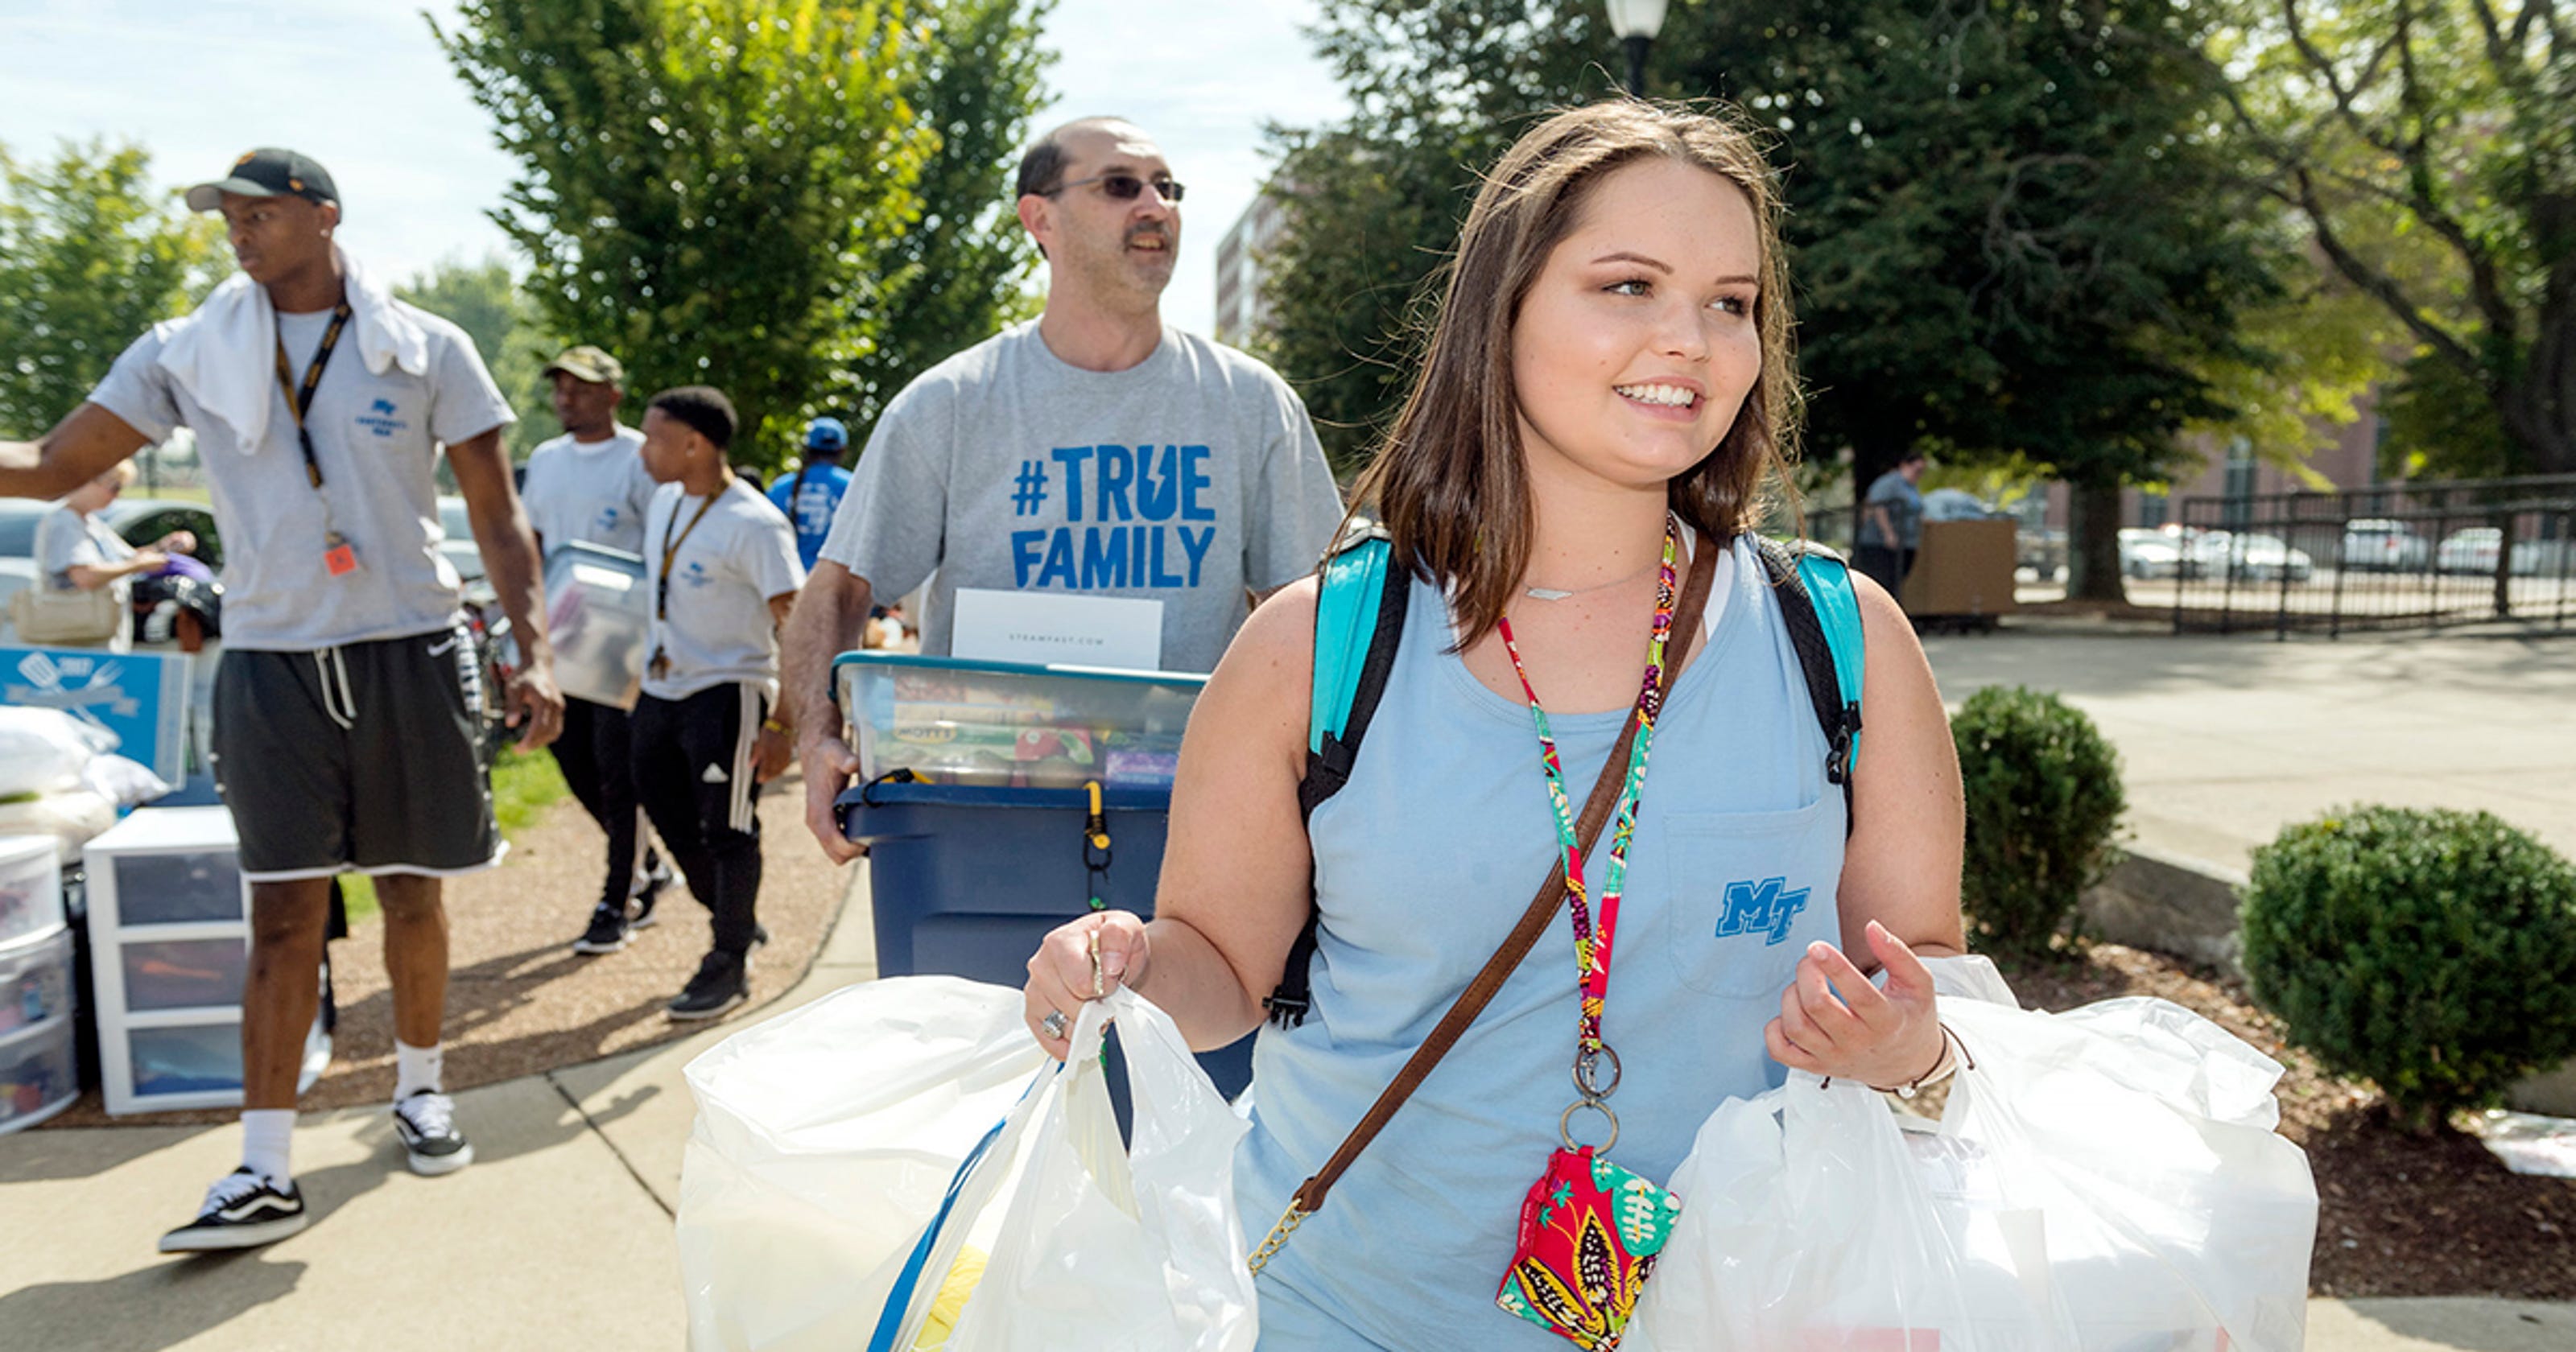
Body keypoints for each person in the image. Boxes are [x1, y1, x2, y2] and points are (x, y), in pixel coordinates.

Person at [1018, 103, 1967, 1348]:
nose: (1689, 338)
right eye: (1628, 283)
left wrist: (1911, 1050)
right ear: (1504, 305)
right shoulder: (1314, 650)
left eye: (1732, 302)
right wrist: (1122, 969)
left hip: (1747, 1313)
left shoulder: (1842, 641)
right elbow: (1221, 971)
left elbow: (1938, 981)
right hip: (1338, 1313)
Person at [0, 147, 563, 1252]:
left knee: (412, 891)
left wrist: (532, 651)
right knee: (282, 913)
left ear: (324, 217)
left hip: (405, 645)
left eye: (260, 214)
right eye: (229, 218)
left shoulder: (426, 347)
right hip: (271, 660)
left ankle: (418, 1087)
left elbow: (499, 519)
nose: (239, 233)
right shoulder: (186, 352)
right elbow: (59, 462)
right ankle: (262, 1166)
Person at [781, 115, 1345, 863]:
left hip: (1190, 819)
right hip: (980, 817)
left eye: (1167, 188)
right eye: (1121, 186)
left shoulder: (1250, 403)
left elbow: (1313, 610)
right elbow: (841, 588)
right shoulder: (949, 404)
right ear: (1038, 217)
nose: (1156, 206)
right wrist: (817, 736)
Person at [632, 386, 803, 1020]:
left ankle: (728, 959)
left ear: (694, 444)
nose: (644, 451)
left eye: (653, 438)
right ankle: (737, 916)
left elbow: (797, 624)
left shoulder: (754, 523)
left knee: (728, 827)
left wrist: (784, 722)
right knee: (662, 807)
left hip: (728, 692)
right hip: (661, 688)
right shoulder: (664, 502)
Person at [517, 344, 674, 954]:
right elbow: (529, 539)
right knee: (570, 758)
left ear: (612, 393)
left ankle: (620, 899)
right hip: (558, 636)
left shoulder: (637, 457)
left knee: (617, 772)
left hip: (618, 638)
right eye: (559, 386)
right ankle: (651, 863)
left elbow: (658, 543)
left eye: (579, 386)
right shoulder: (547, 459)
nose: (565, 396)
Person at [30, 460, 196, 645]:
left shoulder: (90, 523)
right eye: (115, 487)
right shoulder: (65, 522)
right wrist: (138, 565)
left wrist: (162, 547)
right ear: (89, 481)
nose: (117, 496)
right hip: (79, 637)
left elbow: (126, 558)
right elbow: (85, 576)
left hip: (97, 634)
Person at [766, 416, 852, 571]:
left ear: (806, 449)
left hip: (787, 582)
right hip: (834, 584)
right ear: (842, 450)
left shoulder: (780, 488)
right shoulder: (853, 486)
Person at [1856, 449, 1928, 596]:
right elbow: (1878, 507)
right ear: (1905, 465)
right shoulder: (1889, 483)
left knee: (1897, 582)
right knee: (1883, 583)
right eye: (1917, 470)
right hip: (1881, 545)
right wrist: (1888, 533)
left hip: (1907, 543)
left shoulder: (1912, 487)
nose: (1919, 475)